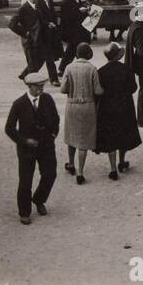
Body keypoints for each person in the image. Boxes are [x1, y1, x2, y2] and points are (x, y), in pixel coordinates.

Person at [5, 73, 60, 224]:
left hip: (46, 146)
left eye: (42, 86)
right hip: (26, 150)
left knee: (50, 174)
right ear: (29, 86)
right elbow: (9, 128)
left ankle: (39, 199)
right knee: (25, 181)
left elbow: (56, 119)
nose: (41, 89)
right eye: (37, 87)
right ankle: (24, 212)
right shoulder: (19, 104)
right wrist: (24, 141)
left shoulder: (48, 99)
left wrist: (53, 134)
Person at [94, 43, 142, 180]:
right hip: (124, 106)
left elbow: (98, 92)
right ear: (118, 55)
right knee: (123, 134)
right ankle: (121, 161)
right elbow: (133, 88)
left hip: (107, 108)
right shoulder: (126, 69)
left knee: (110, 137)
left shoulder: (101, 71)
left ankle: (113, 168)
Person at [60, 42, 102, 184]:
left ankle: (71, 163)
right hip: (88, 106)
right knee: (83, 140)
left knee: (71, 136)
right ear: (89, 54)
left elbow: (63, 89)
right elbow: (98, 91)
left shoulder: (69, 67)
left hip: (72, 105)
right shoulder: (92, 69)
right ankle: (80, 172)